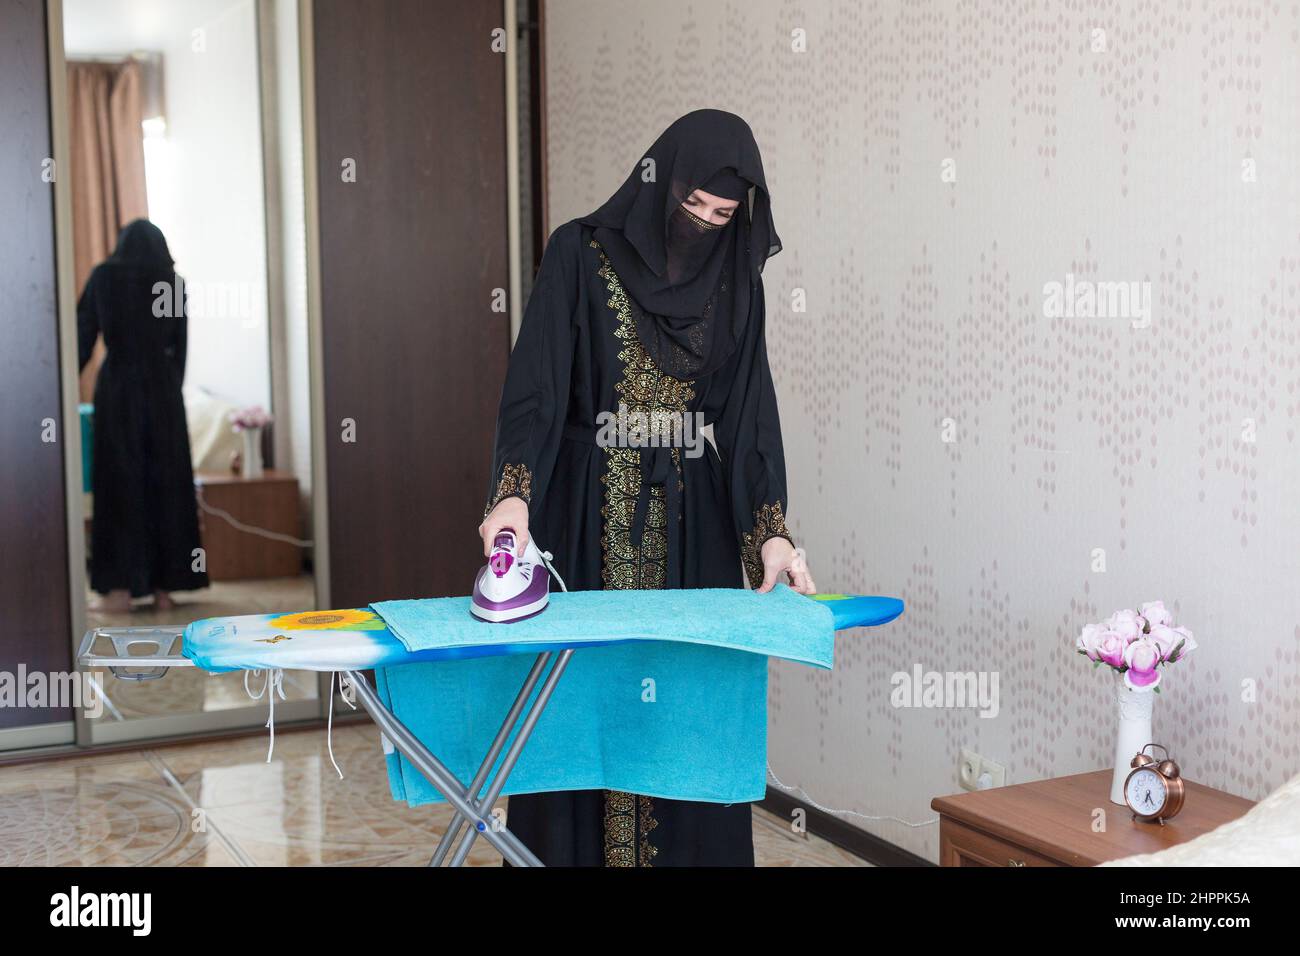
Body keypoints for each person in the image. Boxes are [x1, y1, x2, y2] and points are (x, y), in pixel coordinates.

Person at [479, 110, 814, 866]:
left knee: (683, 725)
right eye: (690, 206)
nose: (702, 226)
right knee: (581, 716)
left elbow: (750, 418)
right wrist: (512, 495)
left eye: (722, 216)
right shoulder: (578, 253)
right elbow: (534, 392)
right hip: (583, 525)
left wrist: (772, 536)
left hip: (690, 538)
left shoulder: (736, 283)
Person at [78, 219, 208, 611]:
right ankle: (166, 590)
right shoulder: (172, 281)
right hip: (162, 390)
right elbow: (180, 345)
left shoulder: (104, 277)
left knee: (119, 485)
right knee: (166, 485)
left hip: (118, 389)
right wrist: (170, 386)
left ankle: (118, 591)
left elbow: (80, 338)